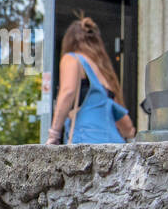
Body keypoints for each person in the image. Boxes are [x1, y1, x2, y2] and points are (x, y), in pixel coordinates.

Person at [46, 17, 135, 145]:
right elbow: (128, 128)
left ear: (69, 41)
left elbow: (68, 92)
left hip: (87, 142)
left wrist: (54, 134)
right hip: (116, 146)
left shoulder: (71, 58)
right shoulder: (104, 75)